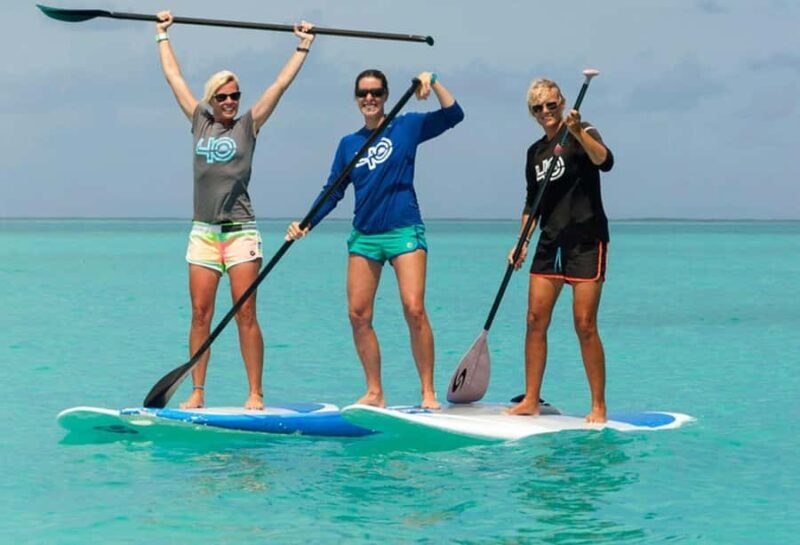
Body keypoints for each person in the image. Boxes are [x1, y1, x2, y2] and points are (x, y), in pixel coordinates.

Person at [155, 11, 315, 409]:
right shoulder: (199, 122)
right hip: (203, 233)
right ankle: (197, 392)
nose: (230, 102)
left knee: (245, 315)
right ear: (212, 100)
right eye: (223, 97)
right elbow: (174, 79)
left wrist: (303, 46)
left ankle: (255, 393)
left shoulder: (248, 126)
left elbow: (280, 85)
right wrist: (162, 35)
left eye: (235, 96)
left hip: (241, 232)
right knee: (199, 316)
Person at [286, 69, 464, 409]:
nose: (370, 98)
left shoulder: (406, 126)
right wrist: (307, 222)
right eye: (363, 93)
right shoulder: (348, 145)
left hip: (403, 231)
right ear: (356, 98)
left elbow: (454, 114)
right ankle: (375, 392)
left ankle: (427, 392)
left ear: (385, 95)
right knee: (358, 314)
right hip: (365, 237)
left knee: (413, 309)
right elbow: (333, 190)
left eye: (377, 92)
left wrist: (434, 80)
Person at [507, 78, 614, 422]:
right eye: (538, 108)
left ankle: (598, 406)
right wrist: (521, 241)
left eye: (551, 105)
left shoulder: (583, 132)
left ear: (562, 102)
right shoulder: (535, 152)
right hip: (550, 243)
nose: (546, 112)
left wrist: (579, 131)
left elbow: (605, 161)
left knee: (584, 325)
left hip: (586, 240)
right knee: (535, 320)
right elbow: (532, 203)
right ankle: (531, 400)